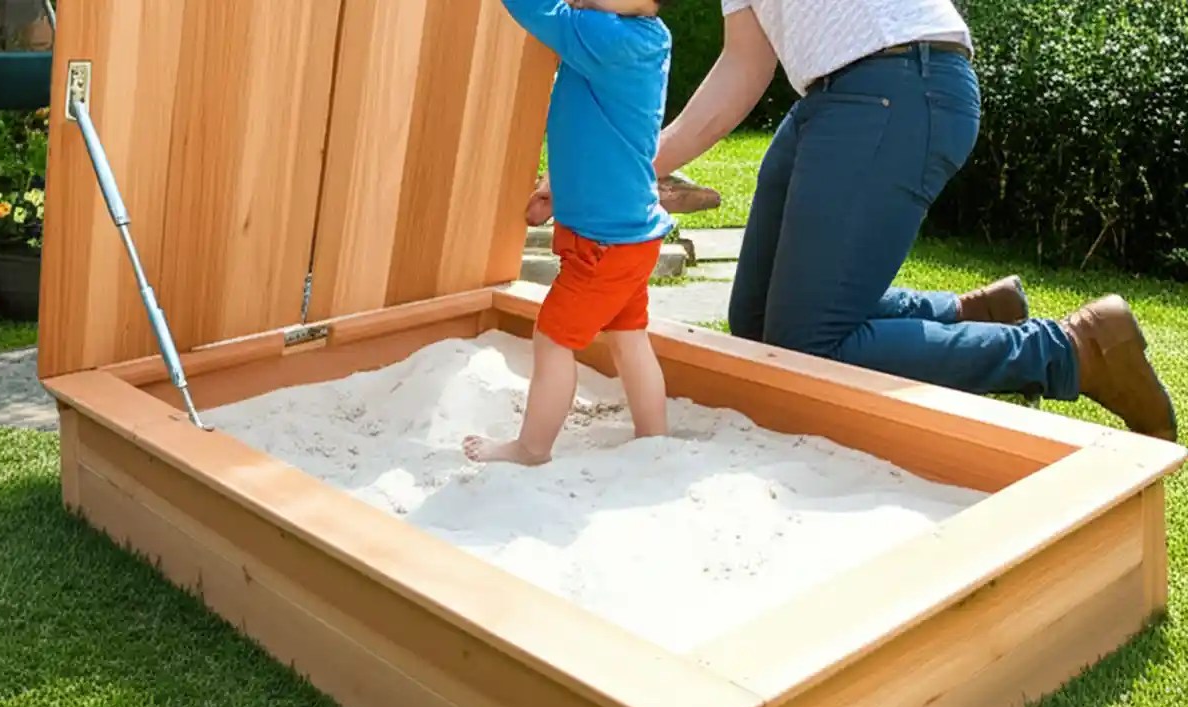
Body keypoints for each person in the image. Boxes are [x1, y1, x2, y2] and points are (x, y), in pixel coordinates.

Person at [525, 0, 1177, 442]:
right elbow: (743, 69)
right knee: (759, 332)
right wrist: (603, 173)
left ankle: (1072, 351)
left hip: (901, 82)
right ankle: (969, 314)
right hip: (832, 100)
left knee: (810, 341)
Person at [464, 0, 677, 465]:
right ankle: (654, 438)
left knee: (554, 338)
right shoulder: (646, 38)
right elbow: (599, 132)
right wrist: (556, 189)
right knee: (628, 336)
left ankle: (532, 448)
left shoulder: (605, 35)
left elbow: (534, 8)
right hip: (632, 235)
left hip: (603, 245)